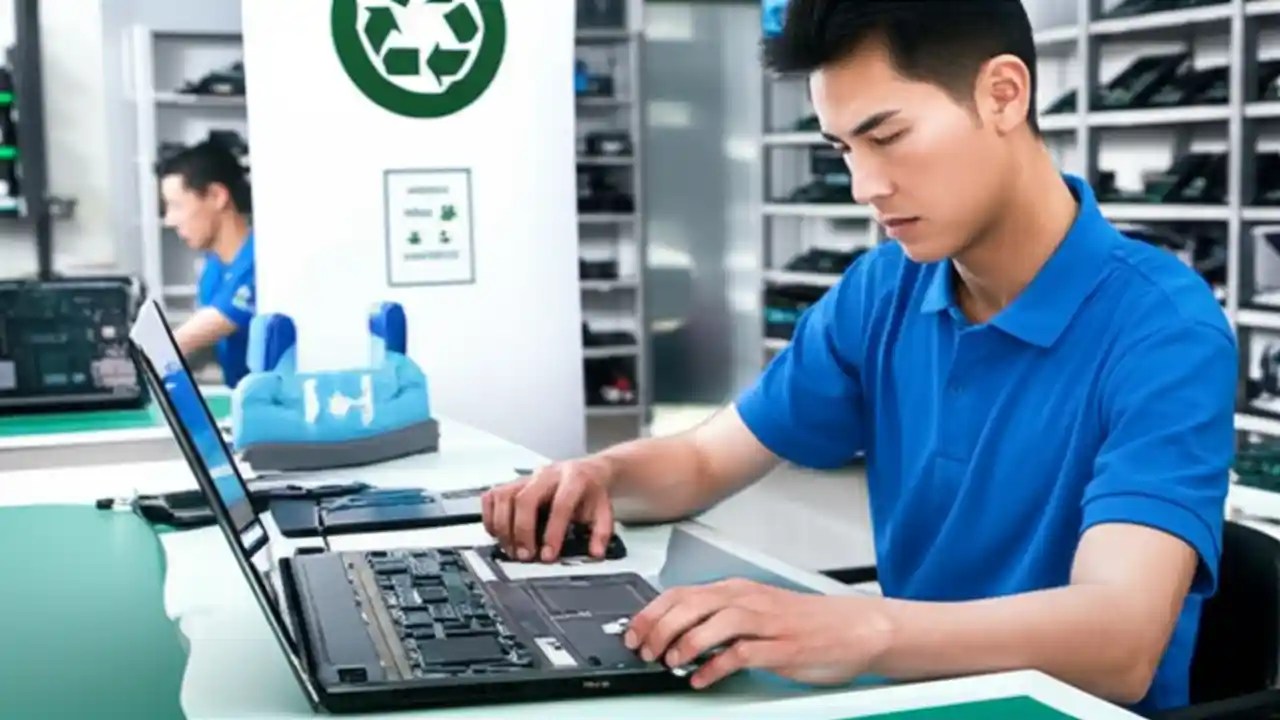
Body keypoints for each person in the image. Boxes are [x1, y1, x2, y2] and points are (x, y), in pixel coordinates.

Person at [482, 0, 1236, 713]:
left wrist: (856, 625)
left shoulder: (1164, 330)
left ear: (1003, 95)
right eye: (843, 148)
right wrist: (599, 477)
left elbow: (1121, 638)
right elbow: (708, 461)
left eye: (889, 136)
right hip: (915, 693)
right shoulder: (884, 290)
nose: (864, 187)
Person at [157, 140, 256, 388]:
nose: (169, 220)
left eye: (176, 205)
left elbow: (184, 340)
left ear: (216, 196)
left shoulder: (260, 261)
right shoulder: (213, 268)